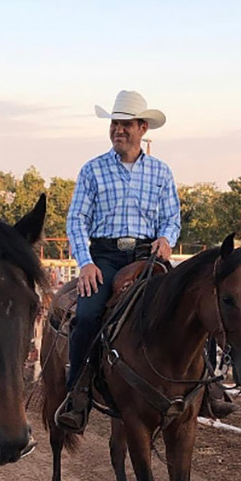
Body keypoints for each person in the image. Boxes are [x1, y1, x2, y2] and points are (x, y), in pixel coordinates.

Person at [54, 90, 180, 434]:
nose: (118, 130)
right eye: (115, 124)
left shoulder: (161, 173)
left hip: (147, 256)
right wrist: (86, 262)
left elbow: (172, 218)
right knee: (89, 312)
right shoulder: (93, 170)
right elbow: (76, 219)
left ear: (142, 128)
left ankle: (208, 387)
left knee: (188, 302)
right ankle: (77, 393)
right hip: (106, 257)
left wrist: (166, 239)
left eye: (126, 124)